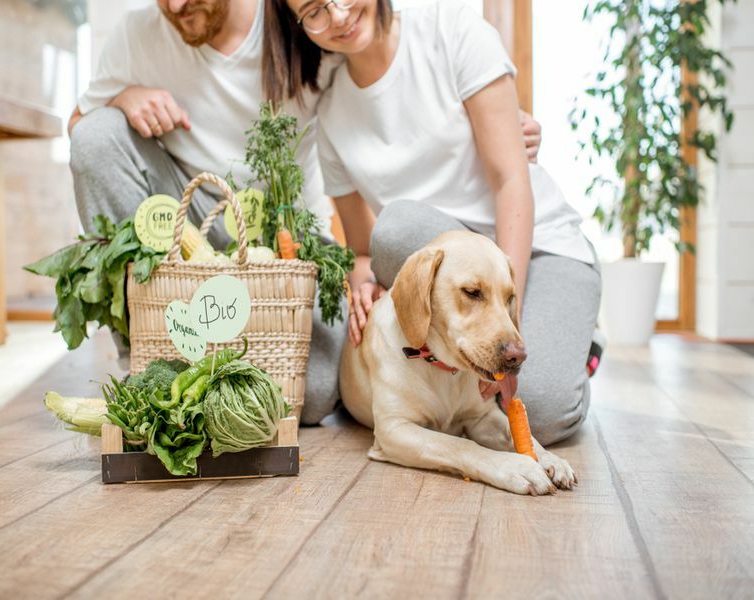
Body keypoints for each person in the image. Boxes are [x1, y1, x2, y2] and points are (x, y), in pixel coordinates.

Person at [68, 0, 543, 425]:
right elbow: (80, 129)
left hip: (289, 238)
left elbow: (387, 80)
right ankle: (147, 357)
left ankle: (226, 361)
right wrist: (121, 99)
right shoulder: (138, 34)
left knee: (311, 397)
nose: (175, 4)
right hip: (186, 221)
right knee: (96, 135)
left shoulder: (304, 27)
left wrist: (491, 119)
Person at [265, 0, 602, 444]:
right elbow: (369, 249)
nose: (339, 16)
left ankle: (579, 340)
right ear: (300, 27)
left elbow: (510, 181)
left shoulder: (454, 31)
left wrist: (509, 322)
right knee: (397, 228)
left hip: (537, 246)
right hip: (437, 262)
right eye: (314, 12)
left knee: (543, 415)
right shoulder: (331, 115)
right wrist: (366, 284)